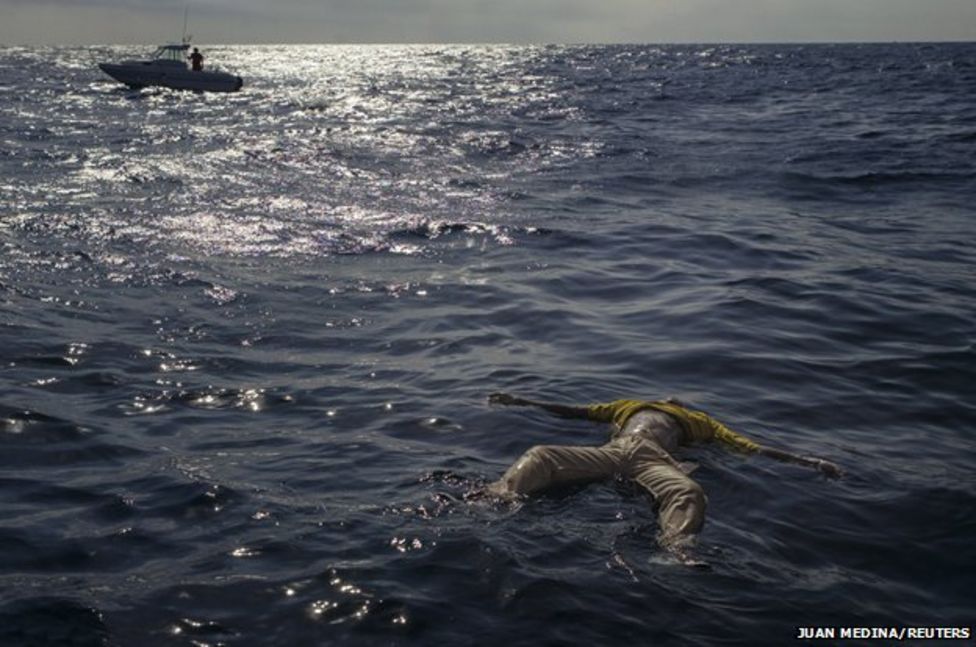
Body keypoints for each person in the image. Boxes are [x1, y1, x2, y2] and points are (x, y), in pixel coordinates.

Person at [486, 392, 842, 565]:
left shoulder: (701, 422)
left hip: (655, 459)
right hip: (616, 449)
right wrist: (521, 401)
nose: (671, 399)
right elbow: (576, 411)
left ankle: (677, 548)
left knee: (688, 491)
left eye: (676, 401)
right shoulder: (628, 405)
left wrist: (808, 461)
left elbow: (750, 447)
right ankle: (501, 495)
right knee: (540, 455)